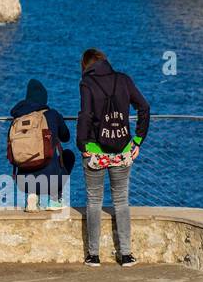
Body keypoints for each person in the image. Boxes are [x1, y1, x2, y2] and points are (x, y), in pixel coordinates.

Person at [75, 49, 150, 268]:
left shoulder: (87, 83)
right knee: (121, 201)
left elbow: (85, 115)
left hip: (96, 151)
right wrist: (137, 140)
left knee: (94, 201)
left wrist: (82, 144)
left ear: (86, 65)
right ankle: (126, 254)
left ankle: (93, 255)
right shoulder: (123, 80)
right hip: (122, 149)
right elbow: (144, 107)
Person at [8, 79, 74, 210]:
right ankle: (55, 200)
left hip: (23, 182)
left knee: (32, 159)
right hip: (50, 180)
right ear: (44, 98)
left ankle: (32, 196)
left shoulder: (17, 119)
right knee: (68, 156)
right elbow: (66, 137)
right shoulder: (52, 114)